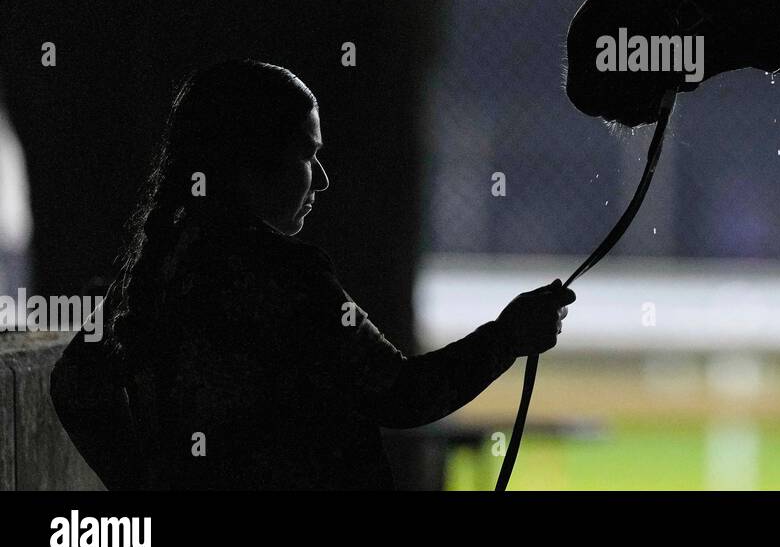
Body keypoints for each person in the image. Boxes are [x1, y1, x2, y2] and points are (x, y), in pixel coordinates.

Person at [50, 59, 574, 489]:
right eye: (306, 154)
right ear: (251, 161)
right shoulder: (284, 276)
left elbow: (75, 386)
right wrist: (508, 336)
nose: (321, 179)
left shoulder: (156, 269)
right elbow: (401, 395)